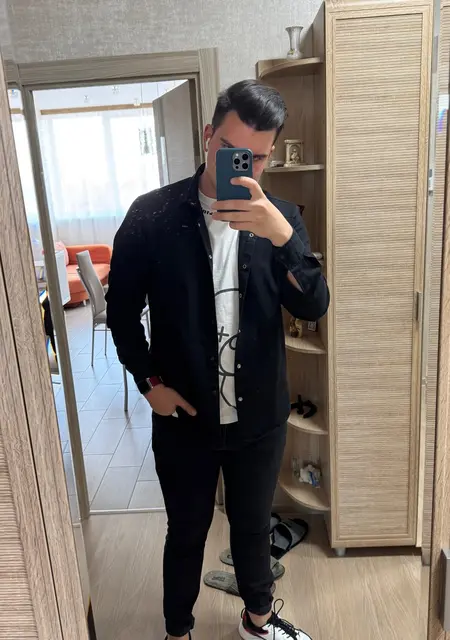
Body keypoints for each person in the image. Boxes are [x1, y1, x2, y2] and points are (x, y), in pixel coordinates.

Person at [106, 79, 329, 640]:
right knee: (186, 531)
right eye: (230, 149)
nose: (242, 165)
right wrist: (148, 383)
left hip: (259, 418)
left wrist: (284, 239)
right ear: (208, 136)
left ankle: (258, 622)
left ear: (270, 156)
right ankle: (177, 632)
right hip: (184, 416)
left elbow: (314, 305)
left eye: (257, 156)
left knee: (253, 528)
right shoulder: (152, 215)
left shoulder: (281, 217)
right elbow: (121, 312)